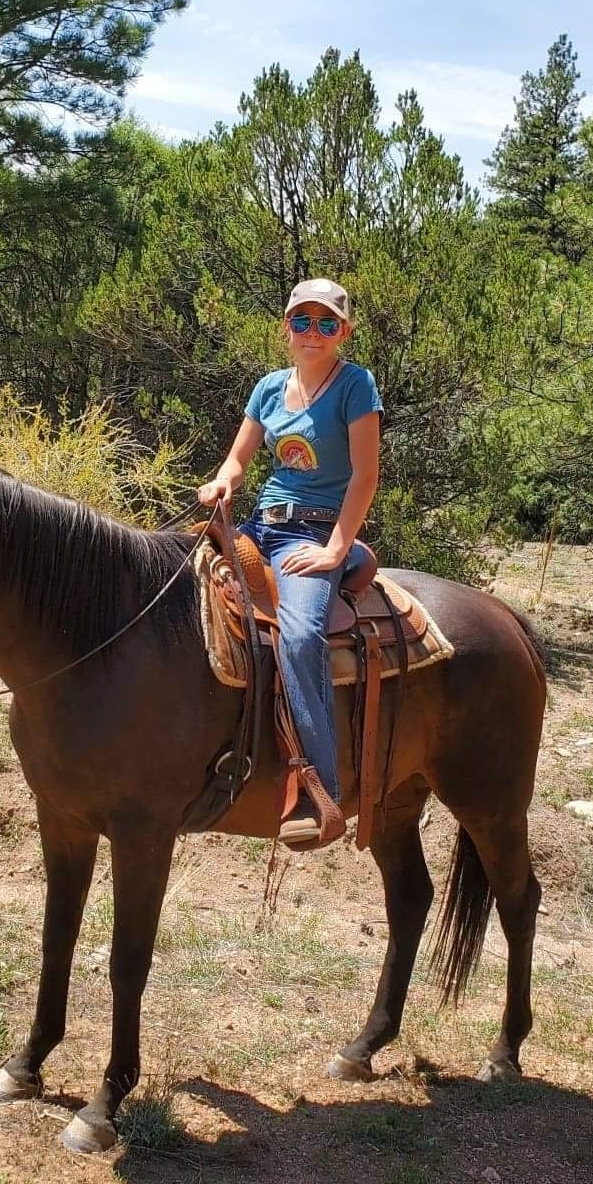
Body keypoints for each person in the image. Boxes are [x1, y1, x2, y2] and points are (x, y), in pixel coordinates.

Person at [199, 277, 383, 847]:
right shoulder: (269, 389)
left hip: (317, 534)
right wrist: (222, 482)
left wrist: (334, 547)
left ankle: (317, 785)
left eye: (326, 323)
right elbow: (238, 458)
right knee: (178, 582)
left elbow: (365, 476)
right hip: (261, 525)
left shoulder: (356, 386)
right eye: (302, 321)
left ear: (343, 332)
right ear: (287, 328)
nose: (313, 332)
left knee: (301, 636)